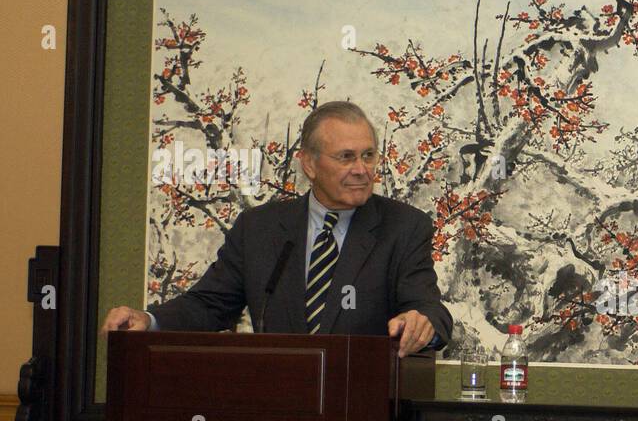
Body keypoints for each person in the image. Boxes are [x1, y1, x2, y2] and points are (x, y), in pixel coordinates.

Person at [101, 101, 453, 356]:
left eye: (369, 155)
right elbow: (210, 305)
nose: (362, 169)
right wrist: (149, 320)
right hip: (275, 414)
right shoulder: (260, 228)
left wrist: (422, 323)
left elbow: (430, 309)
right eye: (346, 157)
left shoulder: (404, 227)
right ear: (310, 165)